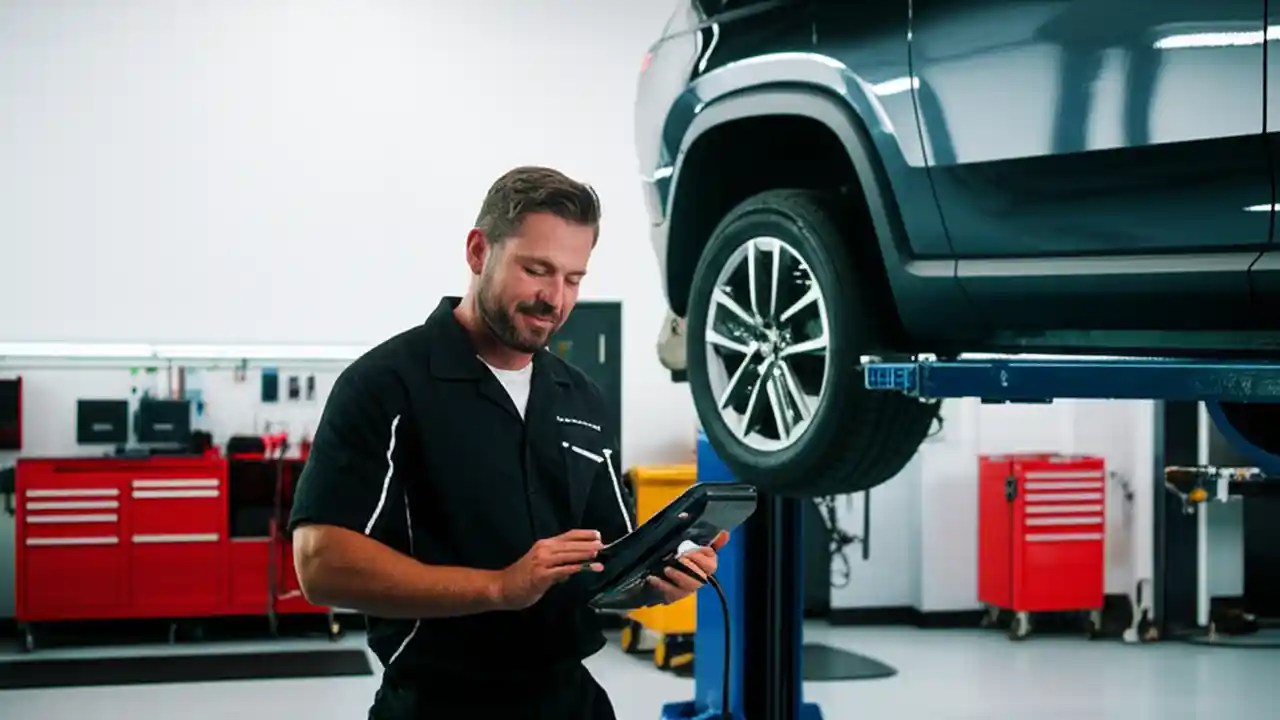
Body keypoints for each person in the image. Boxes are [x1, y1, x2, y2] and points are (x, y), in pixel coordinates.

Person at [288, 165, 728, 719]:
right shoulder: (387, 385)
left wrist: (656, 581)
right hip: (440, 705)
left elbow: (607, 567)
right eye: (536, 270)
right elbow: (320, 563)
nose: (555, 299)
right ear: (478, 252)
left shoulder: (580, 398)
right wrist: (499, 587)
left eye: (573, 278)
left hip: (571, 701)